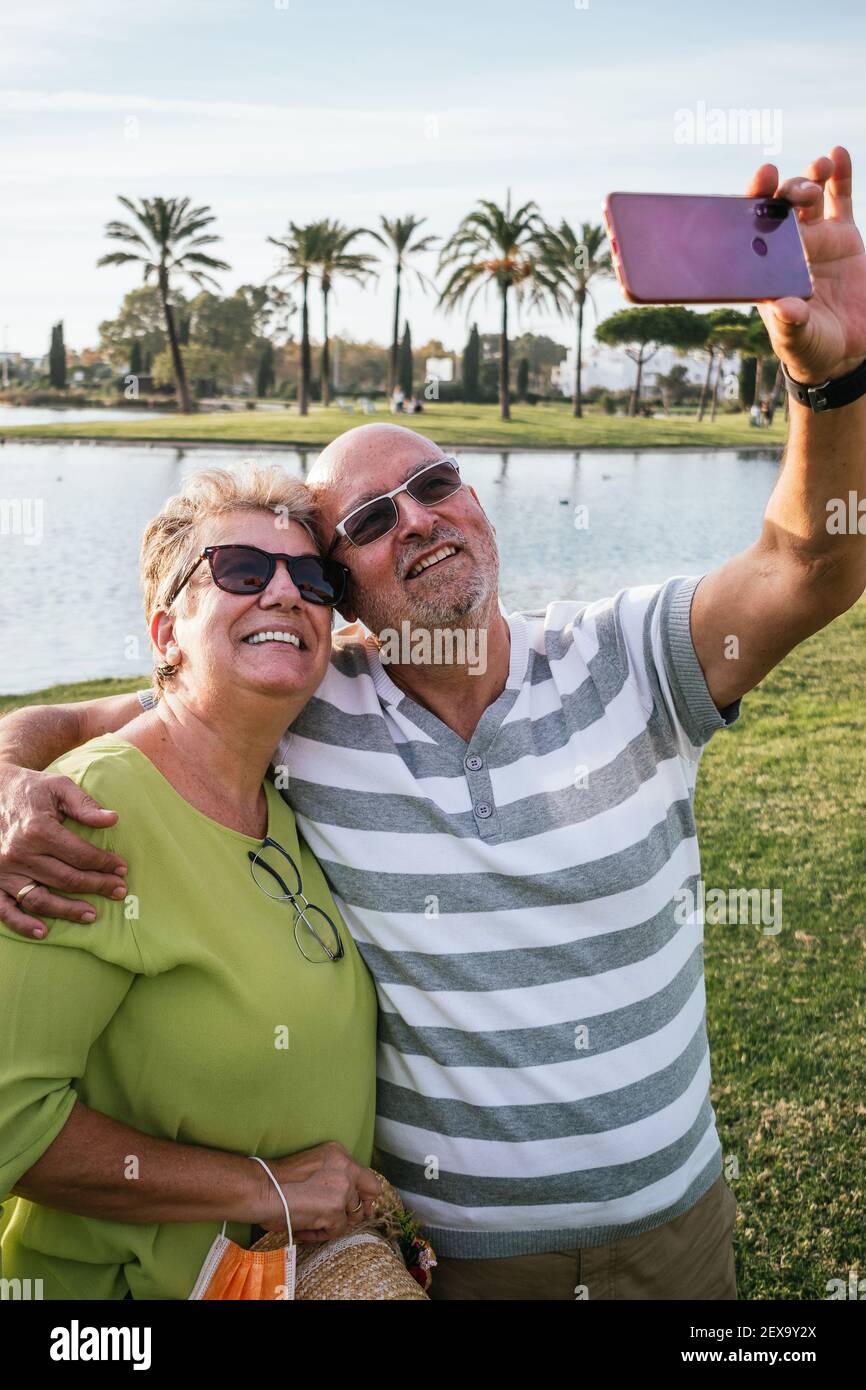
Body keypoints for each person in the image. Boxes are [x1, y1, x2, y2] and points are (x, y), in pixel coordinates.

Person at [2, 146, 865, 1300]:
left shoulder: (632, 655)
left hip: (677, 1236)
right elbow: (88, 724)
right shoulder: (302, 707)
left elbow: (808, 562)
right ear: (346, 592)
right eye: (364, 519)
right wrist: (9, 780)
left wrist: (832, 382)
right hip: (457, 1267)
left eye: (435, 482)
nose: (415, 517)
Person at [0, 464, 381, 1299]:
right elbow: (9, 1126)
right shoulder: (90, 812)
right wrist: (264, 1187)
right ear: (166, 633)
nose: (284, 592)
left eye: (312, 579)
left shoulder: (284, 782)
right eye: (243, 571)